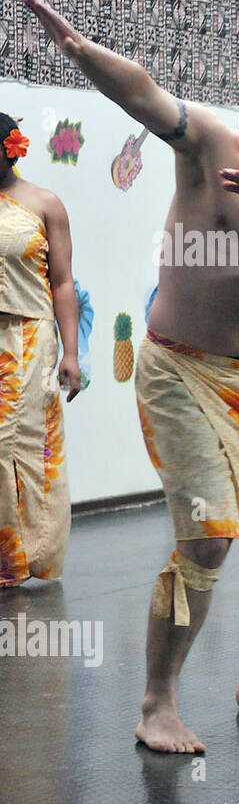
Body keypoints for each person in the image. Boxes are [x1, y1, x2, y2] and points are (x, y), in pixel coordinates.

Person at [26, 0, 239, 753]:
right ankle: (157, 703)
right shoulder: (212, 142)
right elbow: (145, 95)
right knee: (207, 539)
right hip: (177, 368)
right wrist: (79, 49)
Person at [0, 112, 81, 586]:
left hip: (28, 338)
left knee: (21, 442)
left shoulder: (44, 204)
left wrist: (70, 354)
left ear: (8, 148)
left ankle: (31, 552)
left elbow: (63, 282)